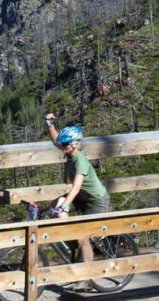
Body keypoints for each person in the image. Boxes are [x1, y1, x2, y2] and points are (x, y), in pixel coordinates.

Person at [44, 112, 110, 263]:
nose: (62, 146)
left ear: (74, 144)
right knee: (55, 204)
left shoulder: (80, 160)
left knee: (82, 236)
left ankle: (86, 271)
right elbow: (56, 141)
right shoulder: (69, 151)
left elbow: (76, 187)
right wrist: (50, 125)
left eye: (65, 144)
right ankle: (72, 242)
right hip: (83, 198)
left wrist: (65, 206)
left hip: (96, 201)